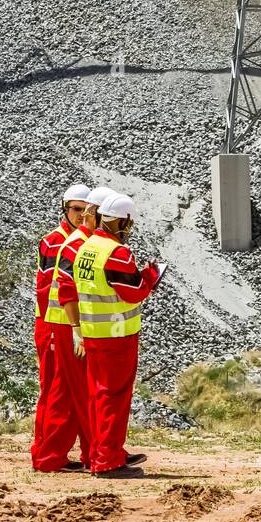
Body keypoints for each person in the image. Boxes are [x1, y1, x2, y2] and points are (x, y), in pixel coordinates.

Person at [74, 193, 162, 479]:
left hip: (93, 333)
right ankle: (108, 461)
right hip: (117, 335)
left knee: (98, 396)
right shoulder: (116, 252)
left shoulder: (86, 248)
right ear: (121, 222)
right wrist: (149, 275)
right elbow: (133, 292)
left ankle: (99, 453)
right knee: (114, 398)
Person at [31, 183, 91, 472]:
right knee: (59, 392)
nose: (81, 215)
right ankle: (49, 456)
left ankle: (50, 454)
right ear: (64, 209)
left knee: (66, 391)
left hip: (61, 324)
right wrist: (71, 326)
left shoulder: (74, 240)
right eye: (76, 209)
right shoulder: (57, 242)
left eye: (86, 210)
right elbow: (48, 290)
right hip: (56, 324)